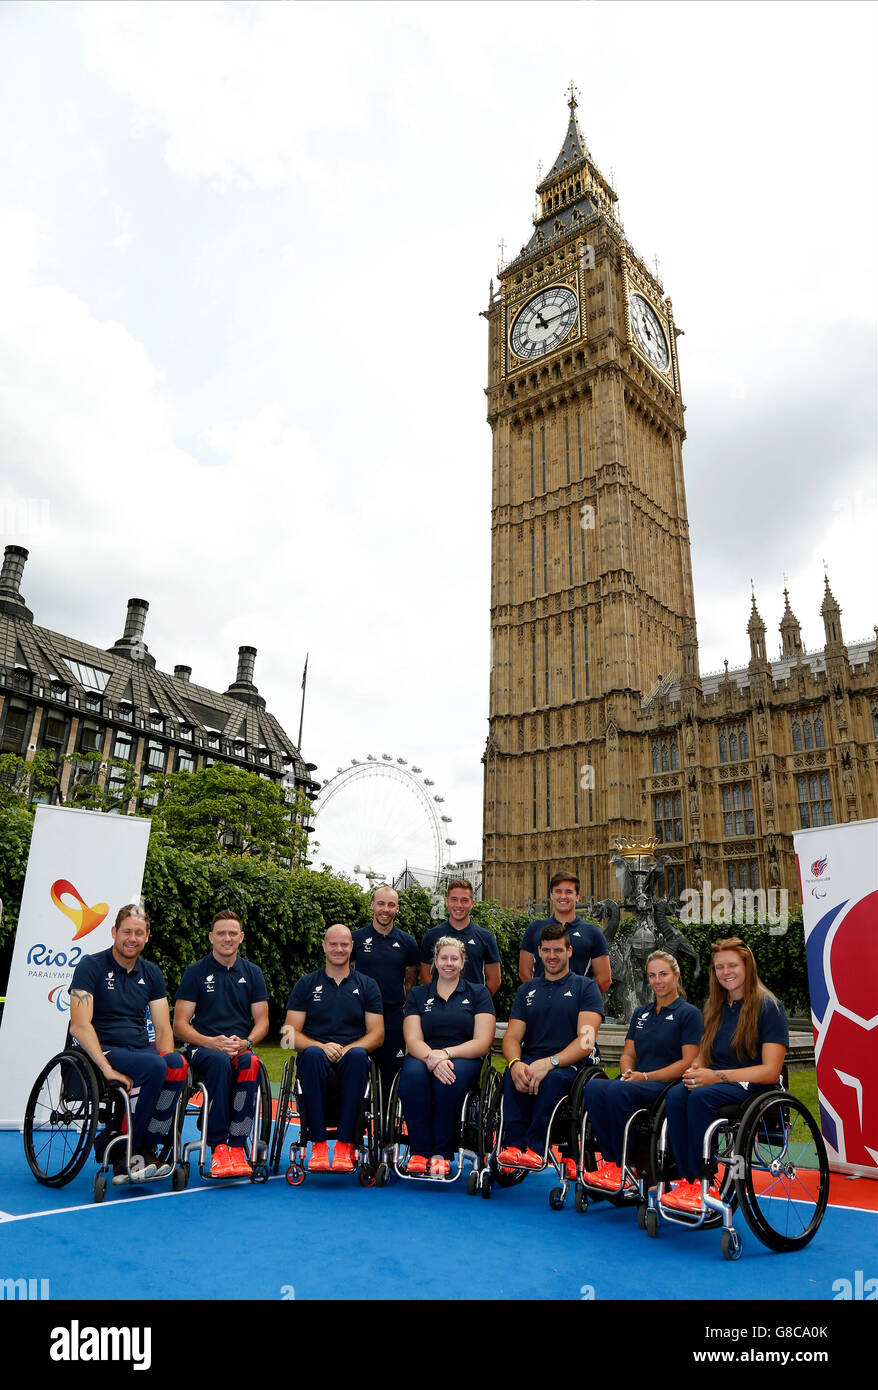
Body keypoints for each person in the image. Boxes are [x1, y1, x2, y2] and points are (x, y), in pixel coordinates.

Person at [661, 936, 788, 1212]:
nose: (726, 972)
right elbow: (706, 1053)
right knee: (675, 1096)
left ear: (747, 967)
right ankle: (688, 1179)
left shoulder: (769, 1007)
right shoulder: (716, 1007)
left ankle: (704, 1181)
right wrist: (696, 1067)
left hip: (754, 1086)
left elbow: (770, 1070)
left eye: (732, 965)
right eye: (719, 967)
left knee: (699, 1098)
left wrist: (715, 1077)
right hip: (720, 1081)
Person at [68, 904, 188, 1184]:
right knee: (155, 1065)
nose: (132, 938)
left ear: (147, 936)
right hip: (104, 1048)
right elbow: (80, 1025)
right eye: (126, 932)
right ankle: (129, 1151)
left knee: (176, 1065)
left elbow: (161, 1027)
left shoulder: (152, 973)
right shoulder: (91, 966)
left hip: (139, 1051)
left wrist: (168, 1064)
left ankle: (147, 1146)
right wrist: (106, 1068)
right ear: (114, 932)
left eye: (139, 933)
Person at [582, 951, 701, 1191]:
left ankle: (627, 1163)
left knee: (616, 1092)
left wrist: (644, 1077)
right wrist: (628, 1073)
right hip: (637, 1080)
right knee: (593, 1087)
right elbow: (628, 1055)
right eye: (652, 975)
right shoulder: (641, 1013)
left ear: (676, 976)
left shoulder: (689, 1014)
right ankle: (613, 1162)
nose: (658, 981)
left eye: (664, 974)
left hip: (666, 1084)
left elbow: (687, 1062)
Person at [499, 921, 603, 1171]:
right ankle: (512, 1146)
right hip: (532, 1059)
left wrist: (551, 1062)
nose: (552, 956)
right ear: (539, 952)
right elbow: (512, 1037)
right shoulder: (527, 990)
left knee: (553, 1079)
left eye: (558, 950)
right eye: (546, 950)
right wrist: (514, 1064)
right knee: (512, 1075)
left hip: (570, 1065)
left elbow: (586, 1041)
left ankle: (536, 1148)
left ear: (569, 951)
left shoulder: (586, 987)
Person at [173, 909, 269, 1179]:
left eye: (232, 933)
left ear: (241, 937)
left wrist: (247, 1042)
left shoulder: (252, 973)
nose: (227, 938)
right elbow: (180, 1024)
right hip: (203, 1048)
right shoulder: (196, 972)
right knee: (217, 1061)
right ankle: (218, 1147)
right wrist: (211, 1042)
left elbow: (262, 1021)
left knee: (250, 1061)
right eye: (221, 933)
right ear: (210, 937)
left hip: (239, 1048)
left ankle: (237, 1146)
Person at [284, 924, 384, 1173]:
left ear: (352, 946)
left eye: (344, 944)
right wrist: (320, 1045)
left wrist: (349, 1048)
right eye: (333, 944)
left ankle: (343, 1144)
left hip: (352, 1054)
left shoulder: (368, 985)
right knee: (313, 1055)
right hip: (317, 1054)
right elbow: (288, 1034)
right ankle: (318, 1144)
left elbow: (377, 1034)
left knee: (359, 1056)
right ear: (324, 946)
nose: (339, 949)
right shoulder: (306, 984)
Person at [398, 936, 495, 1178]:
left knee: (449, 1076)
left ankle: (442, 1153)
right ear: (435, 961)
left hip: (464, 1055)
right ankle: (419, 1151)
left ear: (463, 963)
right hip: (425, 1054)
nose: (449, 963)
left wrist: (446, 1054)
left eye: (454, 958)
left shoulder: (478, 993)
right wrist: (432, 1057)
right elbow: (412, 1039)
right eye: (444, 958)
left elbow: (482, 1042)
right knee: (411, 1075)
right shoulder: (419, 995)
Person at [351, 885, 419, 1095]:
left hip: (393, 1021)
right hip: (359, 1019)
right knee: (356, 1078)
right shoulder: (356, 939)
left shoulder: (407, 942)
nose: (385, 909)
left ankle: (388, 1127)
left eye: (391, 905)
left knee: (392, 1082)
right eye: (381, 903)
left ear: (397, 909)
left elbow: (410, 981)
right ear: (372, 905)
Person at [519, 871, 611, 995]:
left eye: (568, 892)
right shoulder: (534, 928)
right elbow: (524, 972)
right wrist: (537, 999)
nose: (563, 896)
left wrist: (584, 1002)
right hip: (541, 1009)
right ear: (551, 895)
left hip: (577, 1011)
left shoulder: (592, 933)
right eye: (558, 891)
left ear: (577, 896)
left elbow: (604, 979)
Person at [419, 879, 501, 996]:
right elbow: (425, 974)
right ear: (447, 902)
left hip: (472, 1011)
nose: (459, 905)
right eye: (454, 900)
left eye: (464, 900)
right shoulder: (431, 935)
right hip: (440, 1009)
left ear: (472, 903)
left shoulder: (486, 937)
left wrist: (478, 1002)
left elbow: (495, 980)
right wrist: (438, 1000)